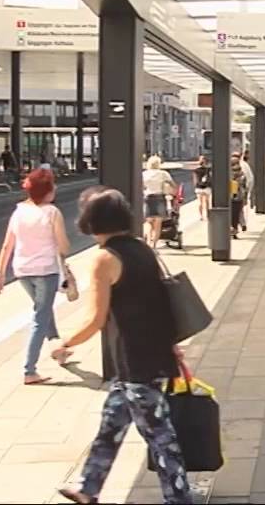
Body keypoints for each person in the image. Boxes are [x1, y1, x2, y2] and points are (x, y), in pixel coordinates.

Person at [53, 187, 192, 505]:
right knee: (111, 425)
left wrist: (65, 344)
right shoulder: (142, 248)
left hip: (135, 361)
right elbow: (159, 303)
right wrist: (170, 345)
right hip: (148, 354)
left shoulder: (104, 259)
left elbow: (95, 318)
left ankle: (180, 499)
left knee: (161, 438)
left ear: (90, 220)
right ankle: (89, 487)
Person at [0, 168, 72, 385]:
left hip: (22, 271)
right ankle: (29, 370)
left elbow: (7, 244)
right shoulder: (52, 213)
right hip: (45, 270)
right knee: (40, 316)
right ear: (47, 191)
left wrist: (0, 274)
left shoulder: (18, 212)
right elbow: (64, 246)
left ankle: (59, 349)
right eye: (52, 186)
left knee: (43, 309)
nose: (55, 189)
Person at [142, 155, 176, 248]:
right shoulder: (163, 173)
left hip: (148, 198)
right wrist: (173, 193)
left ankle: (148, 241)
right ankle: (154, 244)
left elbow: (140, 186)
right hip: (159, 198)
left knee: (149, 222)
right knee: (158, 223)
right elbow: (173, 185)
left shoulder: (144, 174)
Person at [229, 156, 246, 239]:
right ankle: (235, 230)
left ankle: (232, 229)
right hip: (238, 196)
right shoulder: (241, 173)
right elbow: (244, 185)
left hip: (231, 196)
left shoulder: (228, 173)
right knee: (236, 214)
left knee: (231, 214)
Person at [237, 151, 254, 231]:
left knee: (236, 208)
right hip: (241, 191)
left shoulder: (228, 164)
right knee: (240, 208)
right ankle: (242, 223)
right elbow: (250, 179)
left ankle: (238, 224)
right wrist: (248, 190)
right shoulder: (244, 165)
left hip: (233, 192)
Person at [192, 155, 212, 221]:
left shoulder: (196, 170)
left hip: (199, 188)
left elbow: (195, 180)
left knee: (200, 203)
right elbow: (210, 178)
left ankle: (201, 216)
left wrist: (196, 186)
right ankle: (208, 216)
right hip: (206, 187)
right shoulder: (208, 169)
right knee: (207, 202)